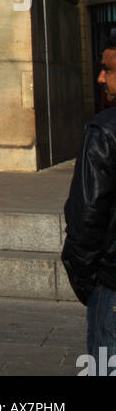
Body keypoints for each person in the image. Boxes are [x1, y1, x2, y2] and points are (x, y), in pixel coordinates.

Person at [62, 33, 116, 360]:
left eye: (107, 69)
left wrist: (89, 282)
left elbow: (87, 215)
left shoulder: (104, 130)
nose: (100, 77)